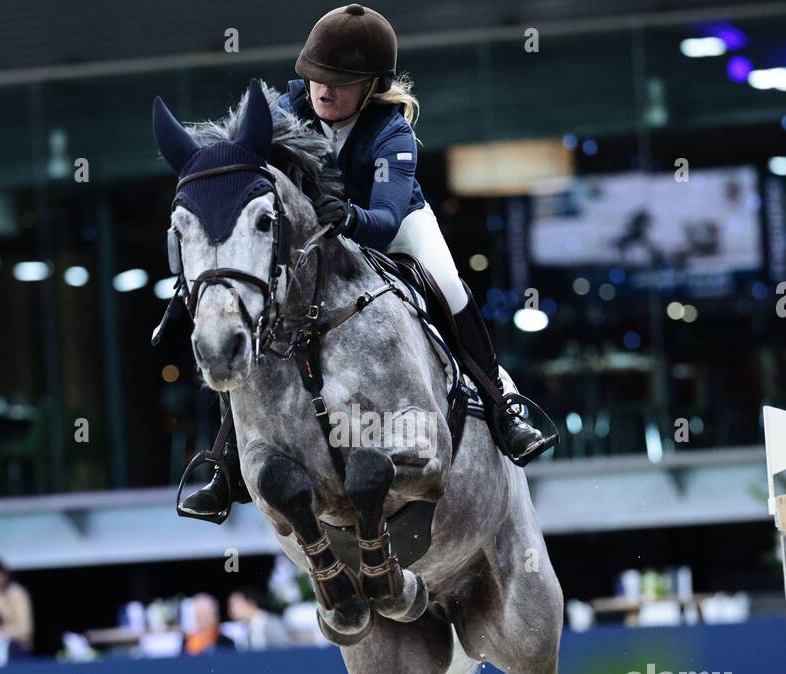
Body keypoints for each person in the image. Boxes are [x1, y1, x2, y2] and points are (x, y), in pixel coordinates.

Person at [178, 3, 556, 522]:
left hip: (390, 228)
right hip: (317, 242)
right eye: (315, 78)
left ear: (371, 84)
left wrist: (347, 215)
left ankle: (499, 404)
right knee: (249, 311)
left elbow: (382, 220)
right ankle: (224, 461)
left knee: (449, 283)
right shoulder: (283, 111)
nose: (323, 90)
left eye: (339, 81)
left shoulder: (390, 133)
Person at [227, 588, 293, 651]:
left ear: (251, 603)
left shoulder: (272, 624)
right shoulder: (241, 629)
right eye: (230, 606)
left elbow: (285, 650)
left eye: (235, 605)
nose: (232, 609)